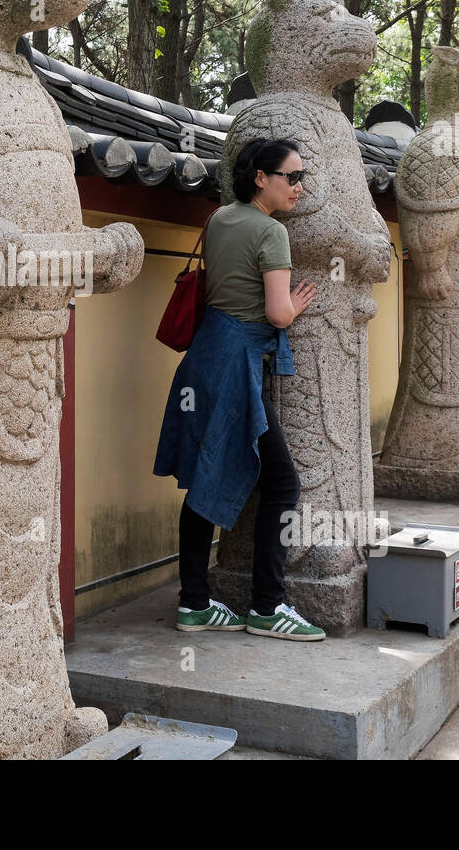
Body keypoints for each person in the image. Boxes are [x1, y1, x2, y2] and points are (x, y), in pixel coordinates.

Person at [153, 138, 325, 640]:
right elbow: (277, 314)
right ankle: (268, 608)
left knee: (205, 476)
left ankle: (194, 603)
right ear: (260, 178)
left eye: (300, 176)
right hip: (237, 363)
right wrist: (297, 304)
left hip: (206, 356)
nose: (299, 186)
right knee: (283, 483)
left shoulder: (220, 219)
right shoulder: (272, 233)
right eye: (291, 177)